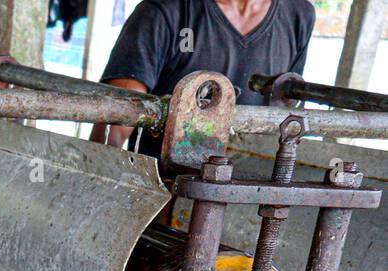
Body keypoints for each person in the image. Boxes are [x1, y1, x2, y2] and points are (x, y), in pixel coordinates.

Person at [90, 0, 315, 155]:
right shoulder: (163, 11)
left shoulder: (299, 16)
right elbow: (115, 129)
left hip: (247, 200)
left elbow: (286, 119)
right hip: (164, 196)